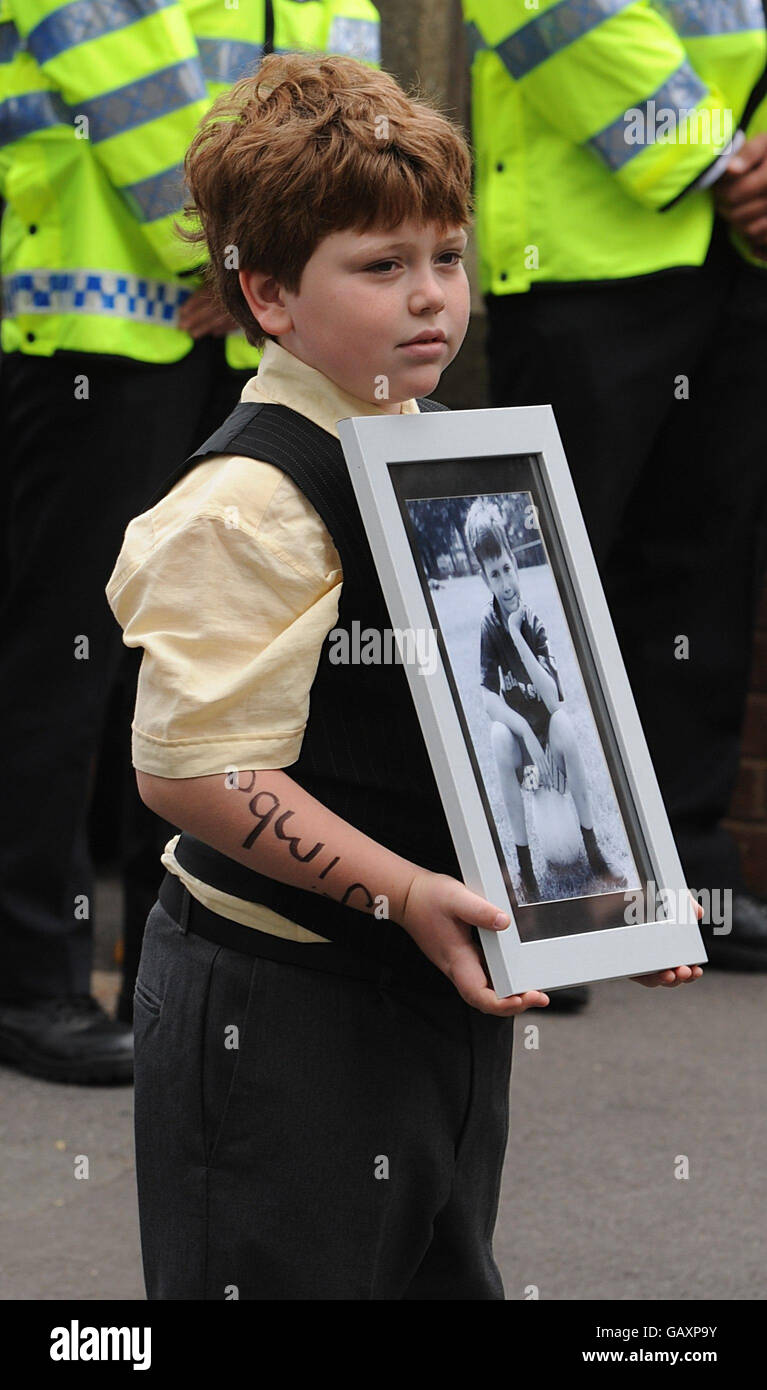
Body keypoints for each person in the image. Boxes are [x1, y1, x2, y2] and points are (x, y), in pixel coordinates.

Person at [105, 51, 702, 1301]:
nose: (431, 297)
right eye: (380, 268)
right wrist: (405, 894)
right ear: (267, 295)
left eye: (446, 256)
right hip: (280, 1008)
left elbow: (510, 709)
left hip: (433, 984)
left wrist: (595, 896)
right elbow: (197, 771)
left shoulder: (443, 454)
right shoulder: (249, 505)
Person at [0, 0, 381, 1084]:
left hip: (235, 316)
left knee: (186, 661)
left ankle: (171, 954)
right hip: (107, 323)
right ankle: (30, 978)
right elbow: (114, 71)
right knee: (65, 659)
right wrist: (237, 252)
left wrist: (262, 262)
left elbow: (348, 107)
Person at [463, 0, 767, 981]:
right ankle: (543, 894)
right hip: (591, 248)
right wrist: (718, 159)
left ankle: (683, 876)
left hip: (733, 250)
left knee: (703, 570)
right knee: (536, 586)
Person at [465, 497, 625, 901]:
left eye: (506, 569)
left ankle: (595, 855)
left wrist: (518, 636)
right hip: (525, 745)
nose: (504, 582)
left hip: (551, 738)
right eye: (494, 575)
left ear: (514, 564)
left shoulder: (531, 623)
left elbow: (554, 701)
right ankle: (524, 872)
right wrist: (528, 738)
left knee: (565, 723)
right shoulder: (489, 625)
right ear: (485, 579)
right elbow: (486, 698)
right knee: (499, 736)